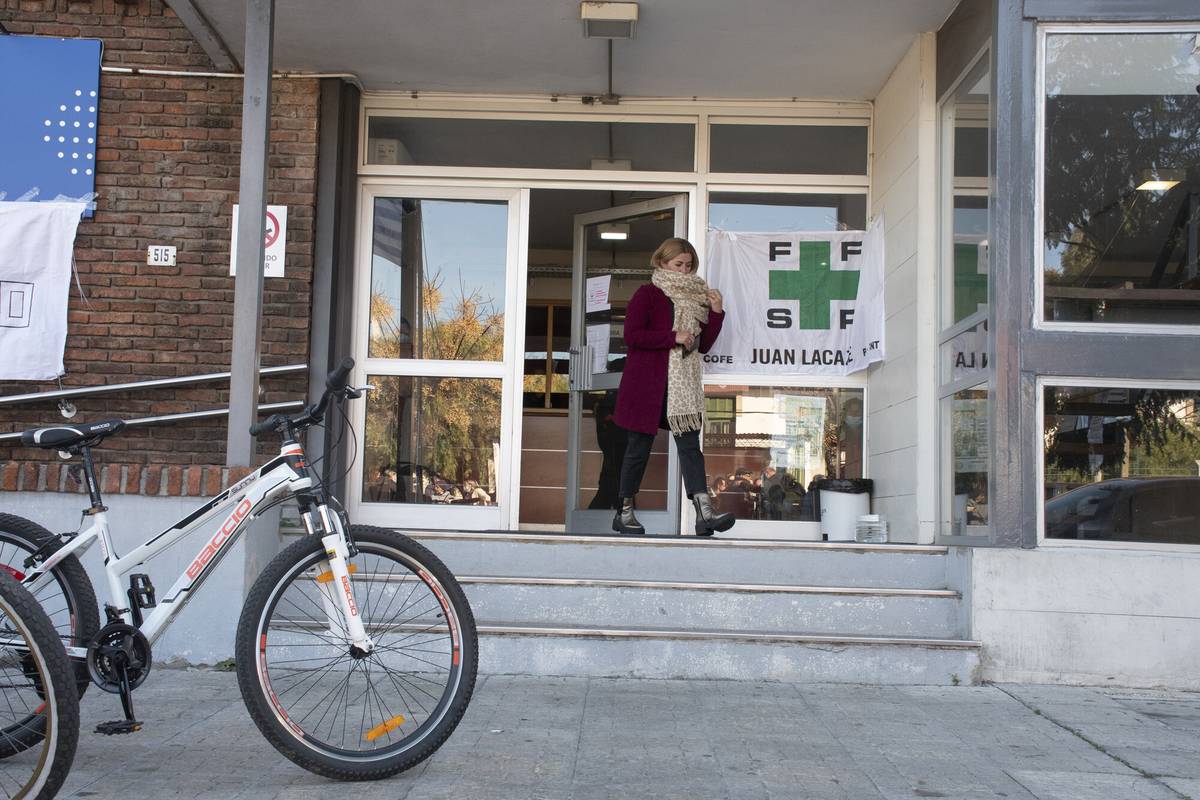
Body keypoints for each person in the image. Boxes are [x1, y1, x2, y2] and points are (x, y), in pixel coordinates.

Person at [611, 238, 736, 537]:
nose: (684, 270)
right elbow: (632, 335)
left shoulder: (697, 298)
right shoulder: (648, 294)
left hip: (682, 387)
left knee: (690, 448)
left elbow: (702, 344)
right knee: (638, 449)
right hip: (648, 386)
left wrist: (716, 312)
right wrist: (672, 336)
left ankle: (704, 514)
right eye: (678, 264)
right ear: (662, 262)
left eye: (689, 265)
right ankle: (624, 512)